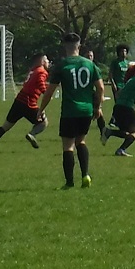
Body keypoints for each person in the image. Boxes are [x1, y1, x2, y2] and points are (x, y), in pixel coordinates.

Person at [38, 34, 104, 189]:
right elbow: (100, 87)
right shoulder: (89, 64)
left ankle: (69, 182)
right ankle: (85, 175)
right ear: (79, 46)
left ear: (64, 46)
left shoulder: (62, 65)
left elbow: (49, 92)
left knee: (68, 146)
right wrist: (97, 107)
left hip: (69, 111)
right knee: (81, 141)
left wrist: (41, 109)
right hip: (86, 110)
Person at [0, 53, 49, 152]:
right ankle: (32, 134)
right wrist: (46, 93)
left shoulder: (32, 70)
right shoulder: (41, 72)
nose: (48, 62)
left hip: (18, 101)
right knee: (43, 122)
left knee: (6, 126)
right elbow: (40, 83)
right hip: (28, 103)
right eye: (46, 60)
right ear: (42, 62)